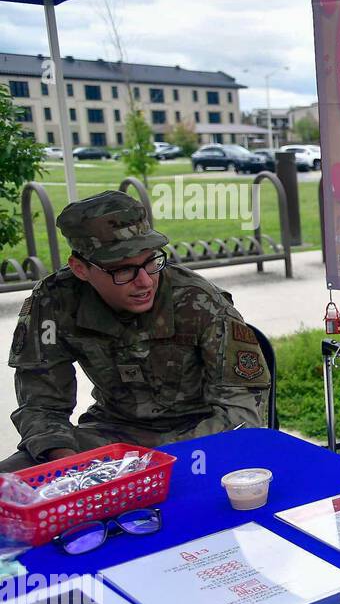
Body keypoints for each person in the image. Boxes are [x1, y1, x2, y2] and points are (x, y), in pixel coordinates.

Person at [2, 191, 269, 472]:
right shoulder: (55, 300)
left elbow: (242, 413)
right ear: (80, 269)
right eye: (123, 270)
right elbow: (41, 406)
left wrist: (153, 465)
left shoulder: (199, 301)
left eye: (151, 261)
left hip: (196, 436)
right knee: (11, 480)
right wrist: (68, 465)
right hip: (111, 434)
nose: (144, 281)